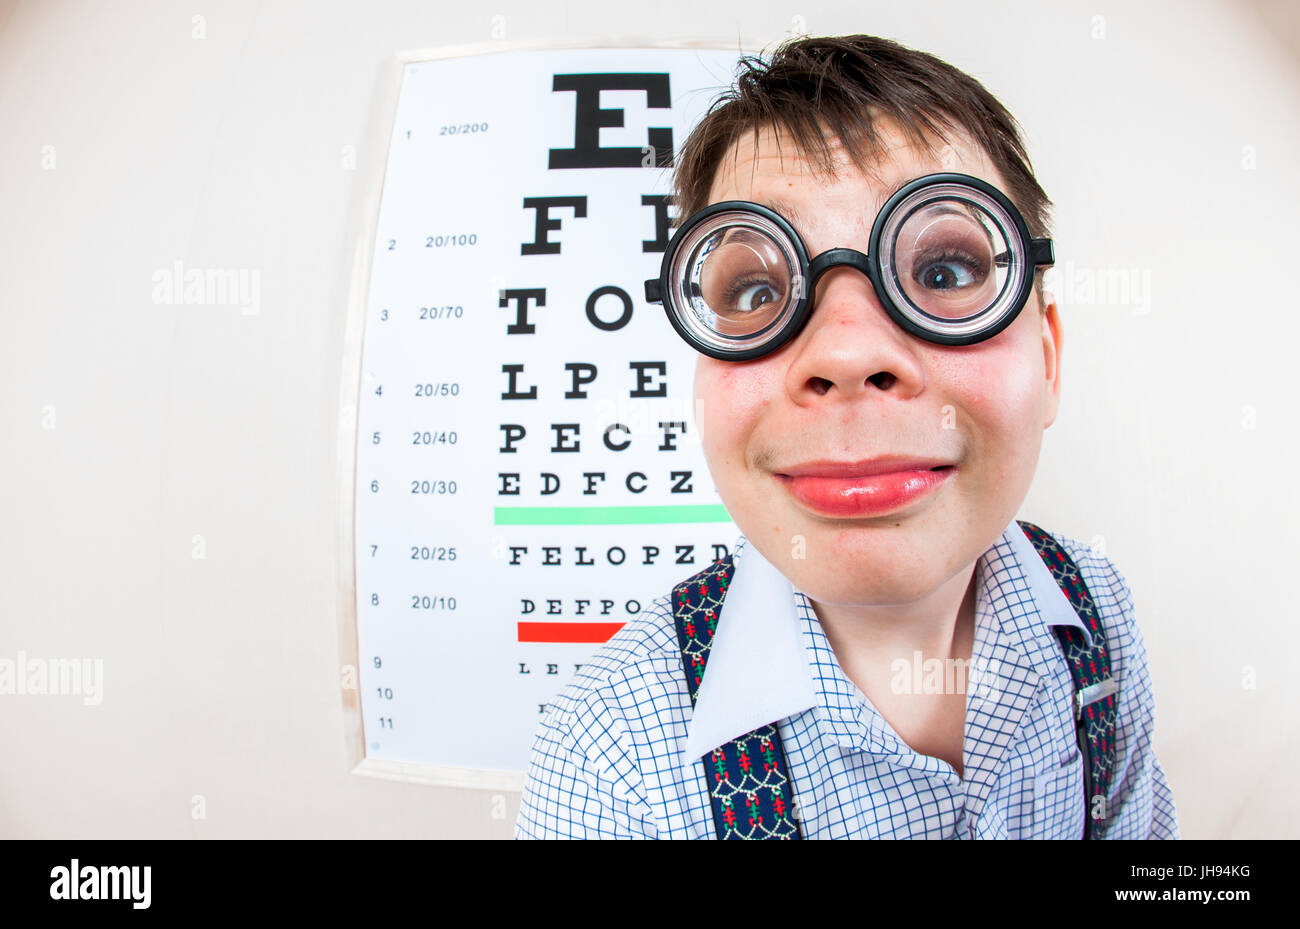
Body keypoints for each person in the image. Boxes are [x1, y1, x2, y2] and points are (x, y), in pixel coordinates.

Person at [515, 33, 1178, 839]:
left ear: (1047, 360)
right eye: (758, 288)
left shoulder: (1098, 611)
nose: (847, 351)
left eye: (942, 274)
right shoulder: (609, 758)